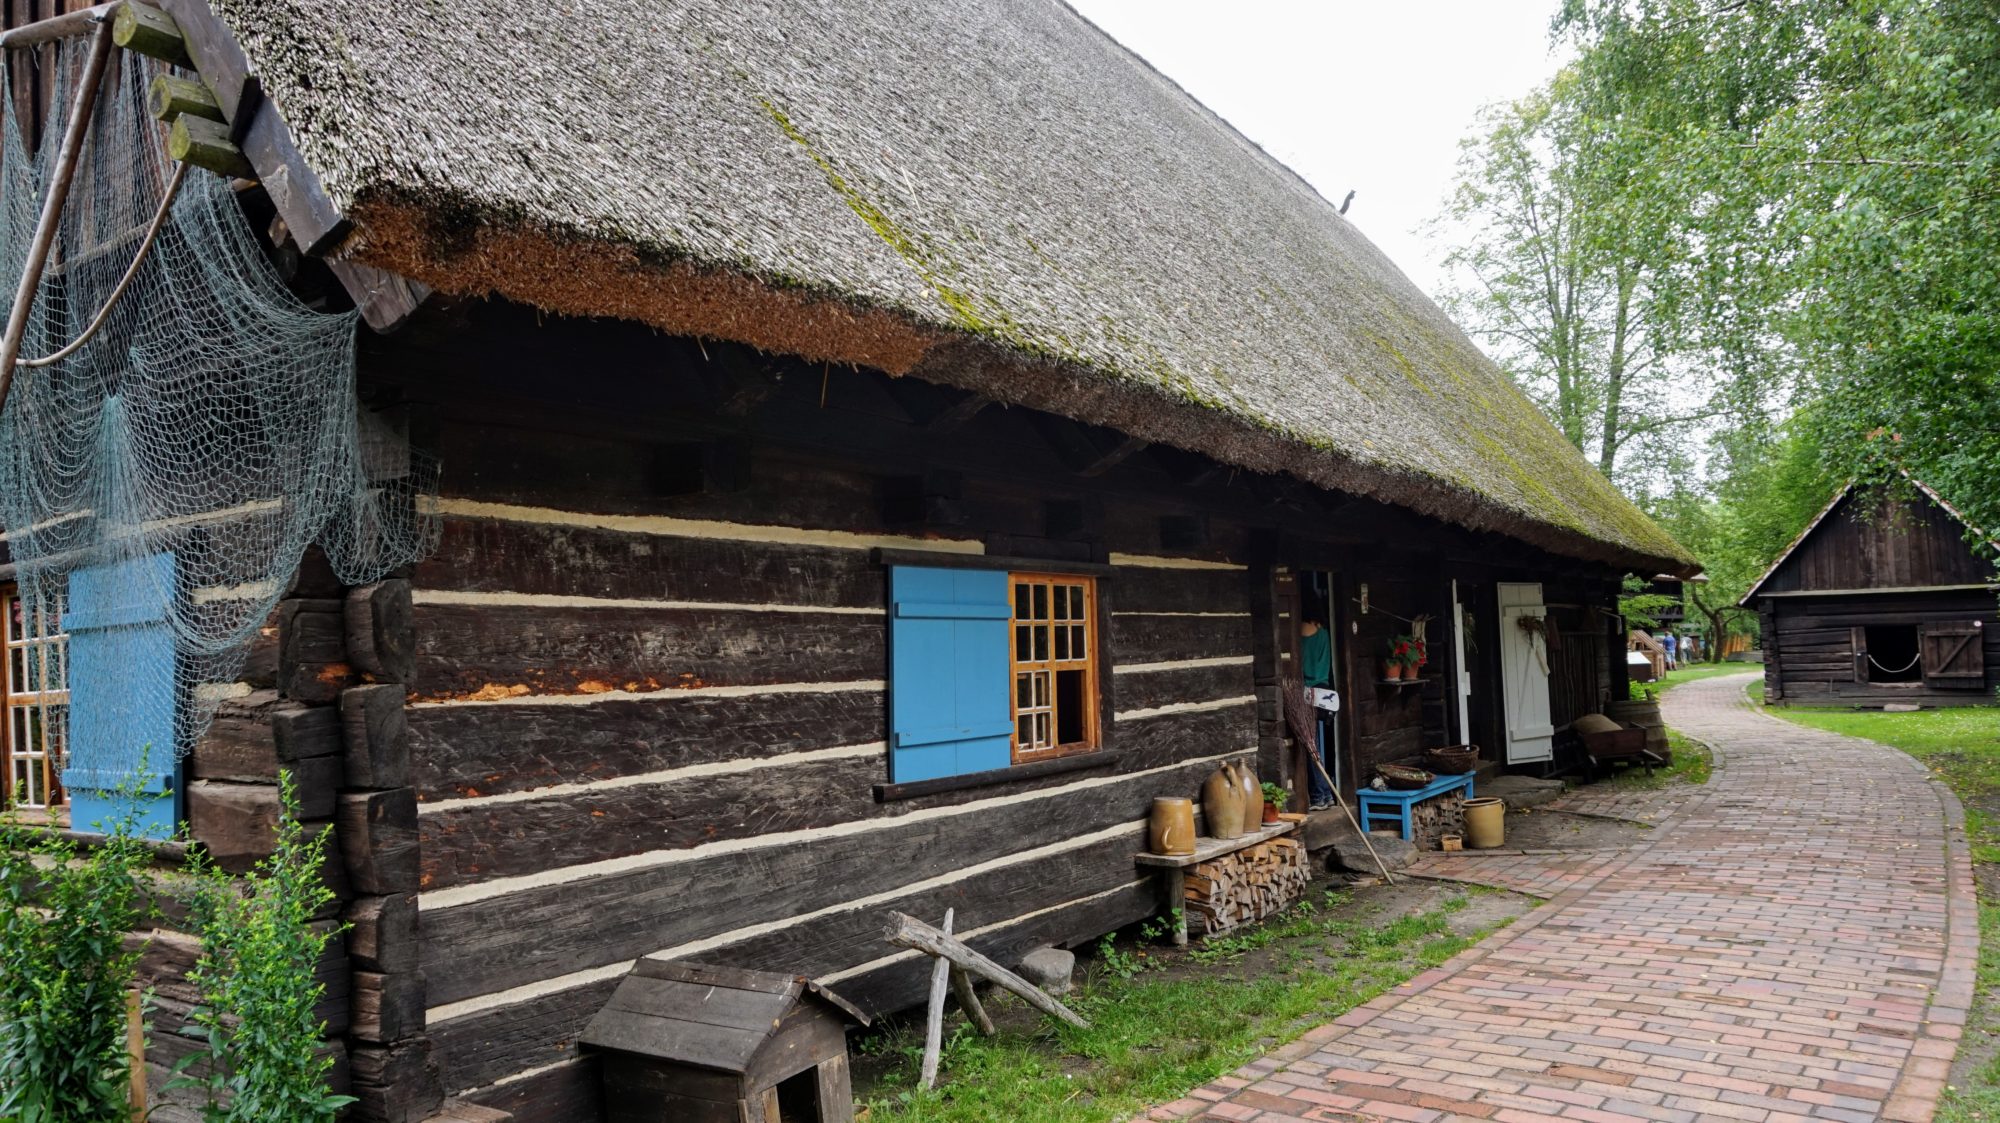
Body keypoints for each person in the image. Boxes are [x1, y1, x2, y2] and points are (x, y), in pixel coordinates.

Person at [1300, 612, 1335, 811]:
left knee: (1311, 746)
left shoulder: (1299, 632)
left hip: (1306, 692)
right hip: (1323, 690)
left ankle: (1319, 795)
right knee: (1317, 744)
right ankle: (1327, 793)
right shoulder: (1324, 634)